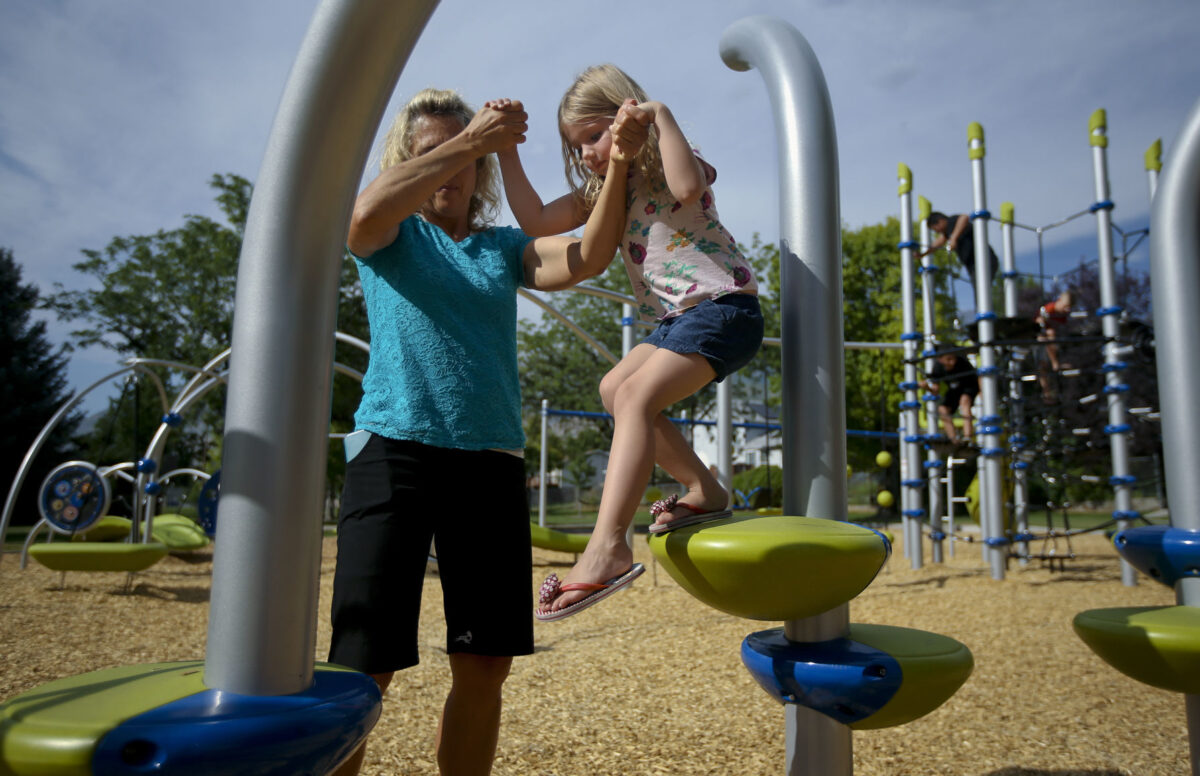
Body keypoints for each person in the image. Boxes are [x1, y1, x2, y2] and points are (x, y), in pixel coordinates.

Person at [329, 87, 644, 776]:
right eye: (429, 153)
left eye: (460, 154)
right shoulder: (392, 232)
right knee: (364, 663)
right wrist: (470, 140)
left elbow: (586, 258)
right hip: (395, 451)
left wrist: (618, 163)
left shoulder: (501, 248)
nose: (448, 167)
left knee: (485, 662)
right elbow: (359, 215)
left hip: (488, 462)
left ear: (482, 175)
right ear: (407, 161)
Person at [493, 64, 763, 620]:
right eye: (578, 145)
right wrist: (505, 151)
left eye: (594, 135)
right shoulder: (603, 193)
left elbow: (690, 188)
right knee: (614, 388)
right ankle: (703, 488)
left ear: (625, 111)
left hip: (724, 308)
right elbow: (538, 220)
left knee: (637, 398)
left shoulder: (668, 161)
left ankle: (609, 545)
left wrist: (658, 114)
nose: (589, 152)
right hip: (677, 321)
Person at [922, 211, 999, 305]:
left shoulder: (952, 221)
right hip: (973, 265)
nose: (937, 232)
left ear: (940, 221)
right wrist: (923, 254)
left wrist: (954, 238)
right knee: (980, 290)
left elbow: (964, 218)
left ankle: (984, 312)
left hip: (983, 260)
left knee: (981, 289)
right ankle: (982, 311)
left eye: (936, 229)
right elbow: (937, 243)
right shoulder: (948, 232)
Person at [925, 347, 980, 444]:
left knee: (964, 400)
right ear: (940, 360)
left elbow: (978, 378)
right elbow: (935, 390)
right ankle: (953, 439)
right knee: (942, 409)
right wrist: (926, 387)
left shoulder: (963, 363)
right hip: (955, 390)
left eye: (954, 359)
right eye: (949, 359)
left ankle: (968, 437)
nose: (953, 362)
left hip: (969, 386)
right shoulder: (938, 367)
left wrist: (983, 393)